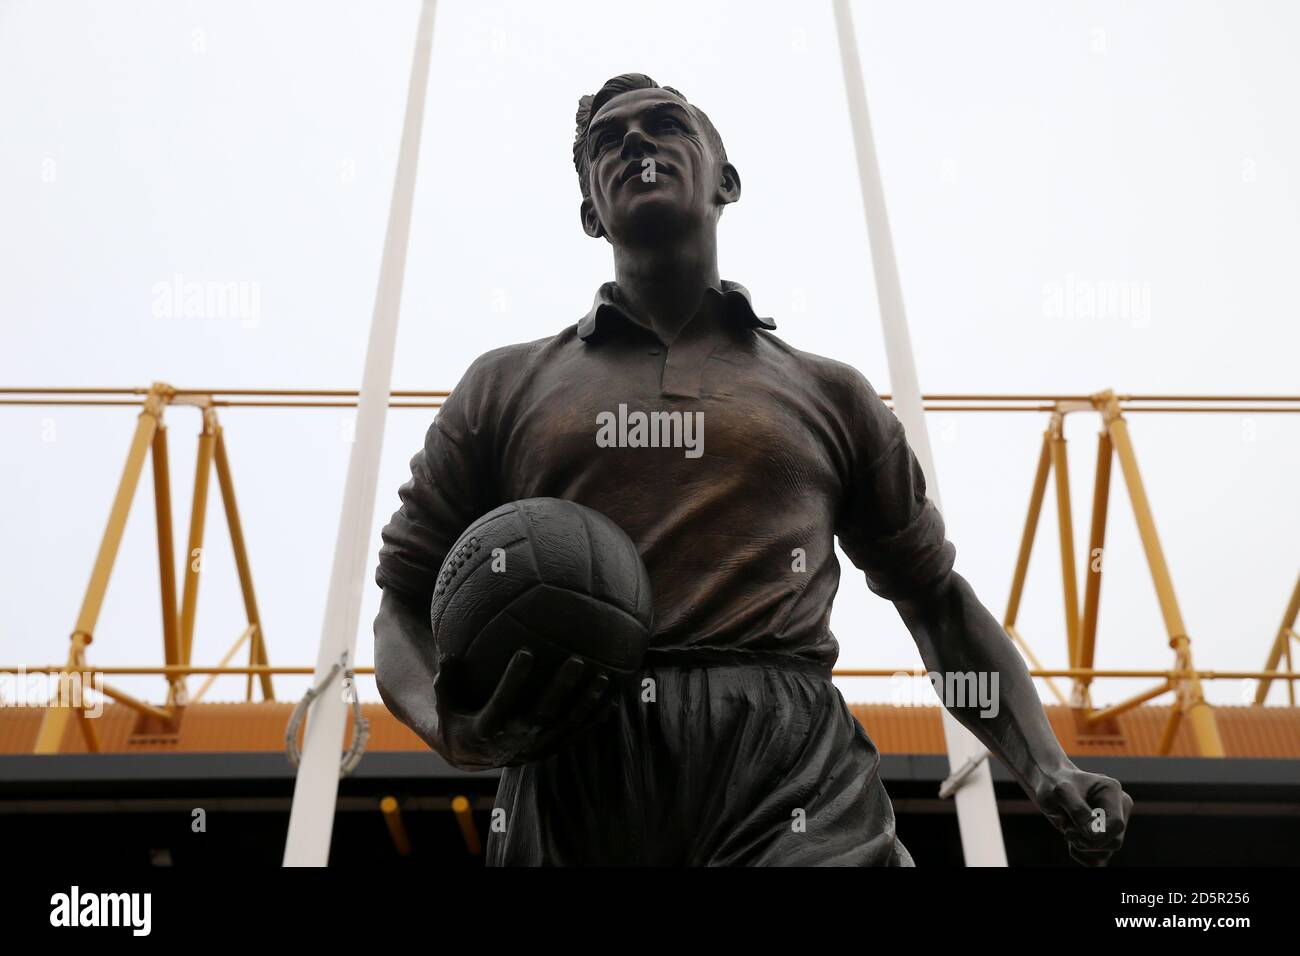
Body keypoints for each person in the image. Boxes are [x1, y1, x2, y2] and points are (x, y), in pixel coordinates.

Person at [373, 73, 1131, 866]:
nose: (635, 142)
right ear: (590, 212)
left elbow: (936, 603)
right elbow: (402, 602)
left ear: (726, 180)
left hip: (789, 761)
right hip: (575, 762)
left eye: (665, 124)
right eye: (607, 141)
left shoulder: (829, 391)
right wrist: (447, 723)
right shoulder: (505, 384)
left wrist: (1046, 766)